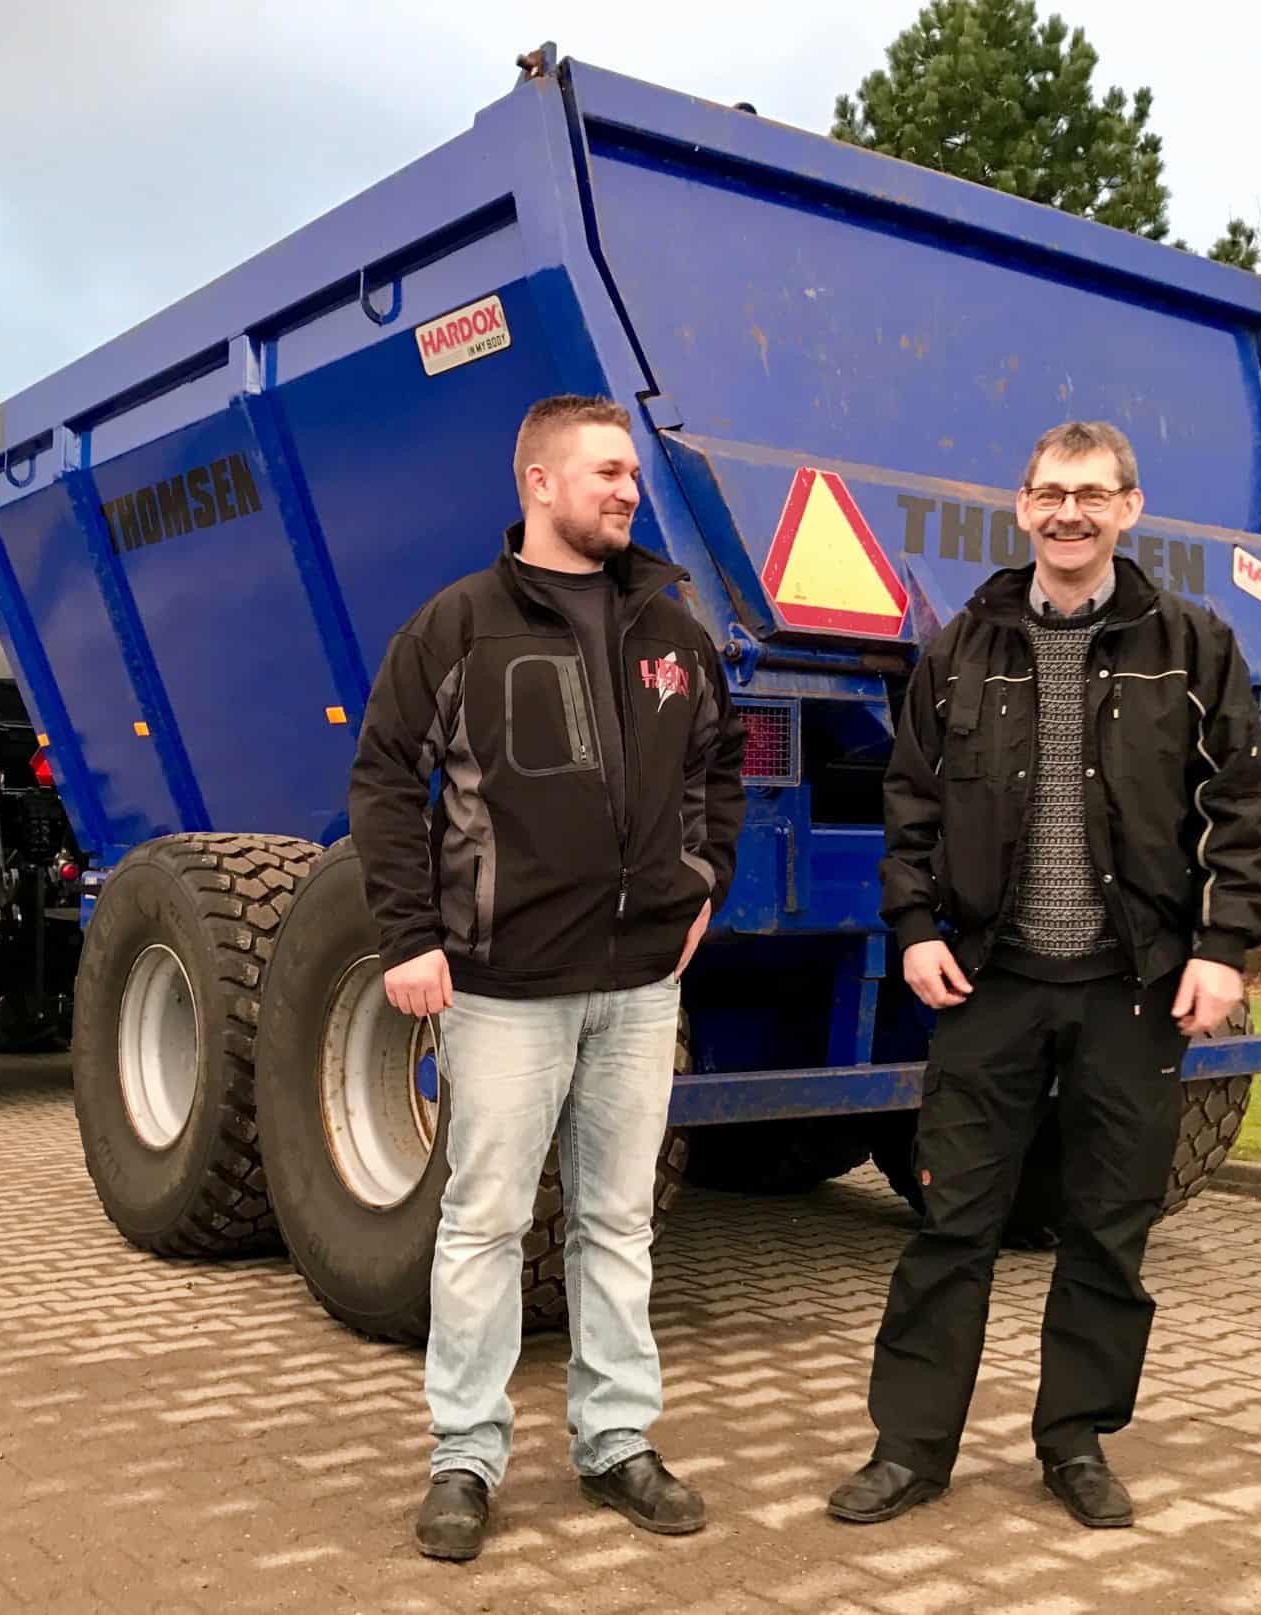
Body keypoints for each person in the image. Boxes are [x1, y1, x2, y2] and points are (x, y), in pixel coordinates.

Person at [827, 421, 1261, 1531]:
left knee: (1107, 1229)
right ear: (1021, 507)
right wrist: (917, 928)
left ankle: (1075, 1441)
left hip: (1135, 988)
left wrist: (1223, 949)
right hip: (990, 984)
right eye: (1049, 494)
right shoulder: (962, 645)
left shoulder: (1194, 644)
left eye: (1092, 493)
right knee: (952, 1225)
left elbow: (1244, 810)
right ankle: (911, 1447)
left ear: (1131, 508)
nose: (1068, 512)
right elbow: (912, 805)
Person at [349, 394, 746, 1562]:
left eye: (632, 476)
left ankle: (617, 1439)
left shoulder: (674, 631)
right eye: (607, 472)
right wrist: (410, 935)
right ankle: (464, 1458)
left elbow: (719, 765)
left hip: (637, 990)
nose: (629, 490)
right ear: (537, 481)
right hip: (503, 987)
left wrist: (703, 879)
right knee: (485, 1222)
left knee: (617, 1223)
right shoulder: (459, 627)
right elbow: (383, 779)